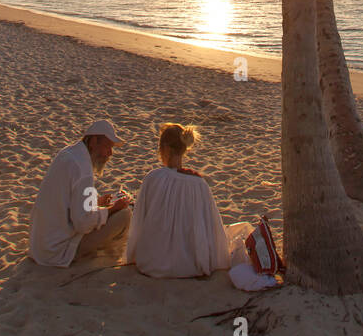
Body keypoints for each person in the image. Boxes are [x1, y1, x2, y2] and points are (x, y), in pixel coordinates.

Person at [125, 123, 243, 279]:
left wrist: (132, 254)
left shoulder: (153, 178)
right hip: (189, 267)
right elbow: (210, 227)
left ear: (165, 149)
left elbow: (139, 221)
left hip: (151, 263)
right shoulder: (199, 183)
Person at [28, 118, 132, 267]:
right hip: (56, 250)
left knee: (109, 210)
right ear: (94, 142)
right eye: (108, 146)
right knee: (124, 215)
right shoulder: (83, 169)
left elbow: (70, 201)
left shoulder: (68, 153)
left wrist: (97, 201)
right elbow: (83, 223)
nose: (110, 153)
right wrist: (112, 209)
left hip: (39, 245)